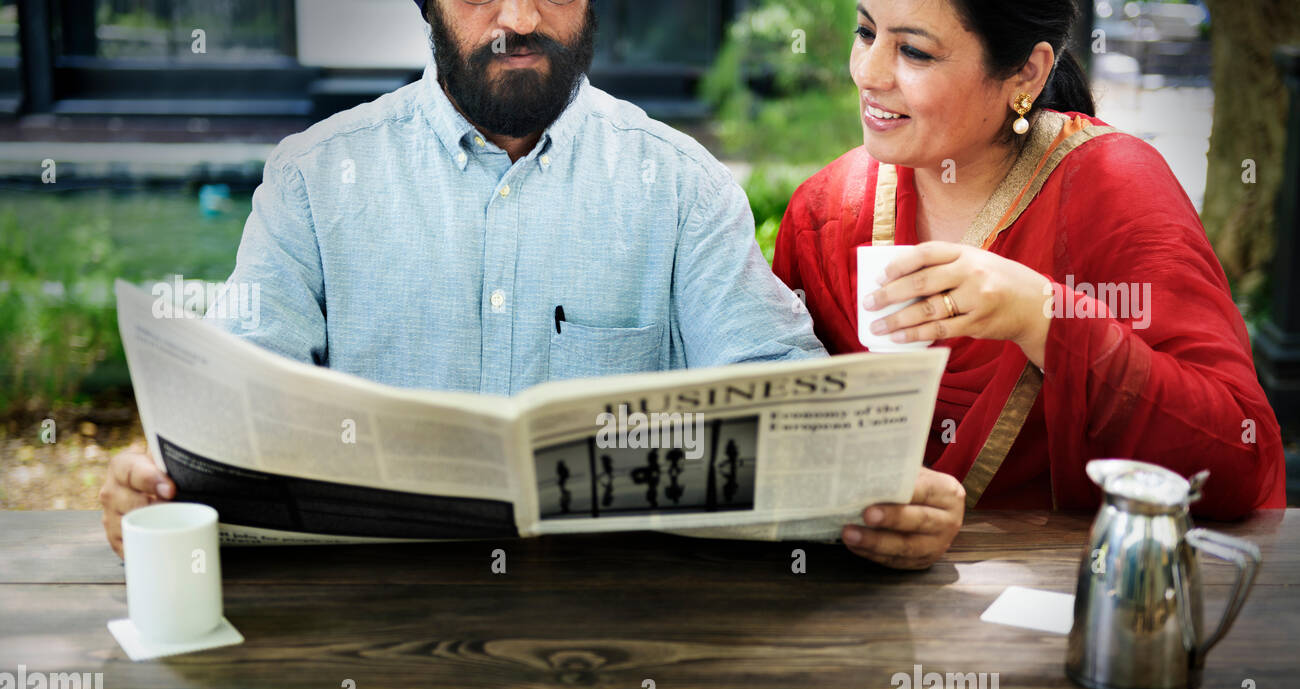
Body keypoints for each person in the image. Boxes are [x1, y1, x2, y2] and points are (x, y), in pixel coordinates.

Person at [99, 0, 966, 567]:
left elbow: (781, 394)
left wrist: (876, 489)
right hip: (368, 635)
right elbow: (236, 400)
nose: (518, 18)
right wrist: (164, 481)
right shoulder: (314, 180)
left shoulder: (682, 186)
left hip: (627, 639)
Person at [774, 0, 1286, 569]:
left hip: (1075, 594)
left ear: (1027, 71)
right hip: (846, 592)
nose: (868, 73)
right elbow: (778, 445)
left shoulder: (1116, 193)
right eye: (866, 32)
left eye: (914, 51)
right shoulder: (825, 213)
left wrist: (1042, 318)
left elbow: (1237, 460)